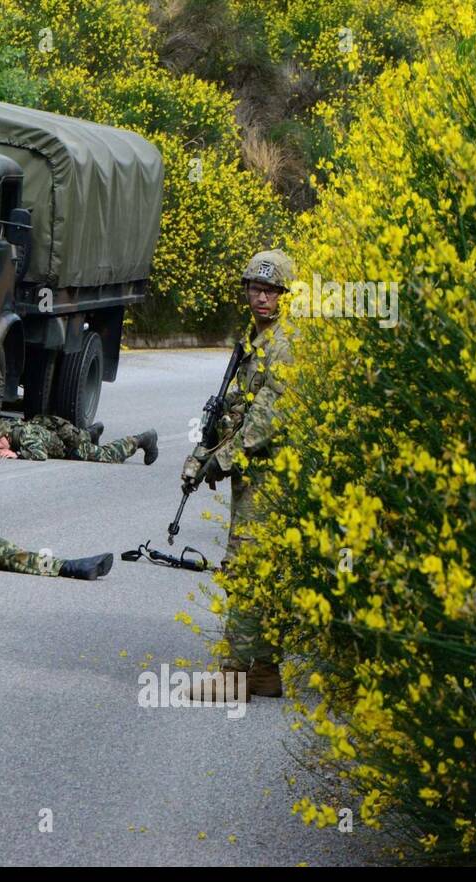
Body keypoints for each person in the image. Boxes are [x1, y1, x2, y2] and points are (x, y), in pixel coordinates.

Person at [182, 249, 296, 699]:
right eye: (255, 287)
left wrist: (220, 460)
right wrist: (200, 455)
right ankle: (264, 672)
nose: (261, 297)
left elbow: (267, 419)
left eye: (270, 290)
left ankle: (234, 675)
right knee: (260, 570)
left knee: (247, 570)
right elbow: (230, 412)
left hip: (274, 475)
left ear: (284, 294)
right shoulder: (254, 340)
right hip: (255, 473)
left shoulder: (285, 344)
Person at [0, 415, 158, 464]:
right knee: (85, 440)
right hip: (65, 439)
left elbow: (40, 455)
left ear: (5, 435)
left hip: (71, 448)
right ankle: (90, 433)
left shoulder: (25, 436)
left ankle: (143, 439)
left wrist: (16, 455)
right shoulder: (13, 429)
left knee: (109, 455)